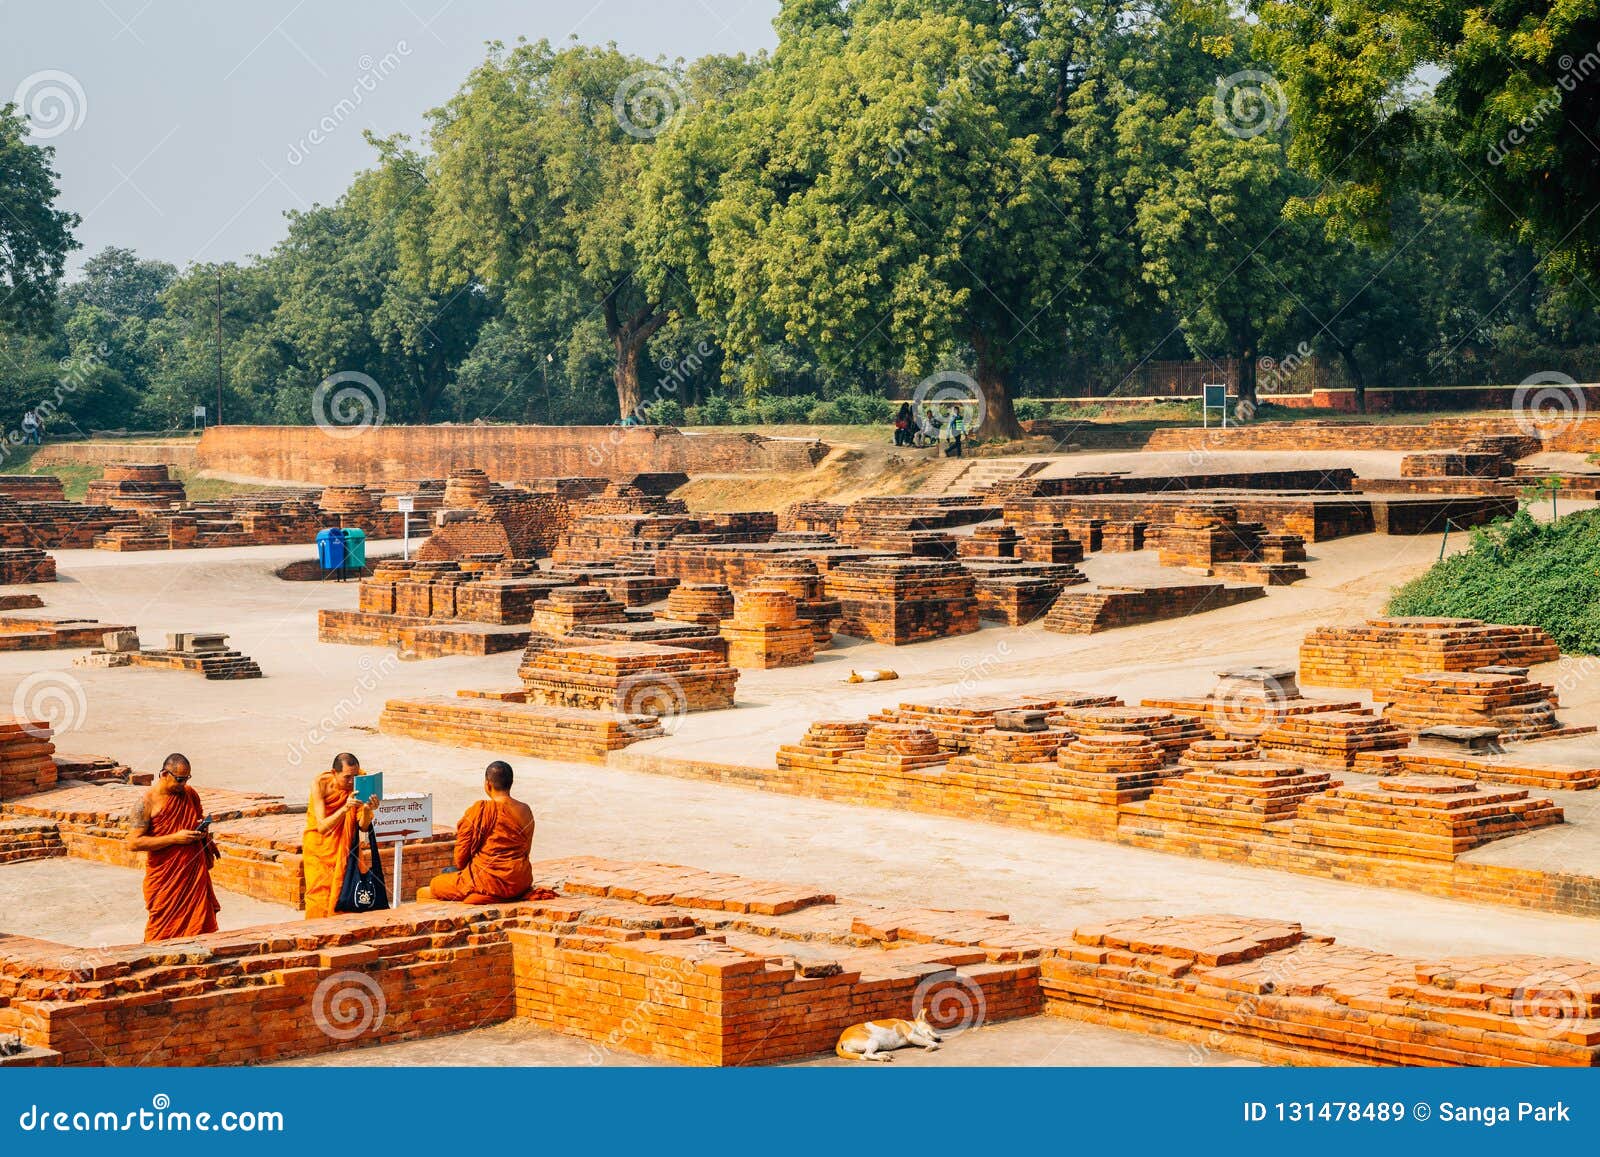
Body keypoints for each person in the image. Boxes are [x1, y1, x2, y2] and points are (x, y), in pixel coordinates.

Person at [127, 753, 221, 942]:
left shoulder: (190, 793)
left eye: (187, 778)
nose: (183, 784)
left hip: (193, 873)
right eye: (179, 779)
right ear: (164, 774)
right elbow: (133, 843)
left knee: (198, 927)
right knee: (161, 929)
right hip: (166, 877)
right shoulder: (145, 803)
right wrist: (175, 838)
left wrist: (201, 830)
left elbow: (196, 818)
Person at [427, 761, 549, 904]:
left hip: (488, 881)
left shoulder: (480, 809)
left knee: (434, 885)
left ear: (488, 784)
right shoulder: (525, 810)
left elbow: (460, 859)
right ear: (511, 783)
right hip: (520, 881)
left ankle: (487, 895)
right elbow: (526, 851)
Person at [302, 752, 376, 919]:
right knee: (318, 896)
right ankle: (317, 930)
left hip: (347, 847)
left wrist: (367, 809)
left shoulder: (361, 782)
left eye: (355, 776)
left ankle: (343, 930)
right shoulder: (320, 784)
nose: (352, 781)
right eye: (347, 777)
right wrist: (345, 809)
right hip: (319, 850)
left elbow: (363, 827)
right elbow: (322, 827)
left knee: (346, 889)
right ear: (334, 773)